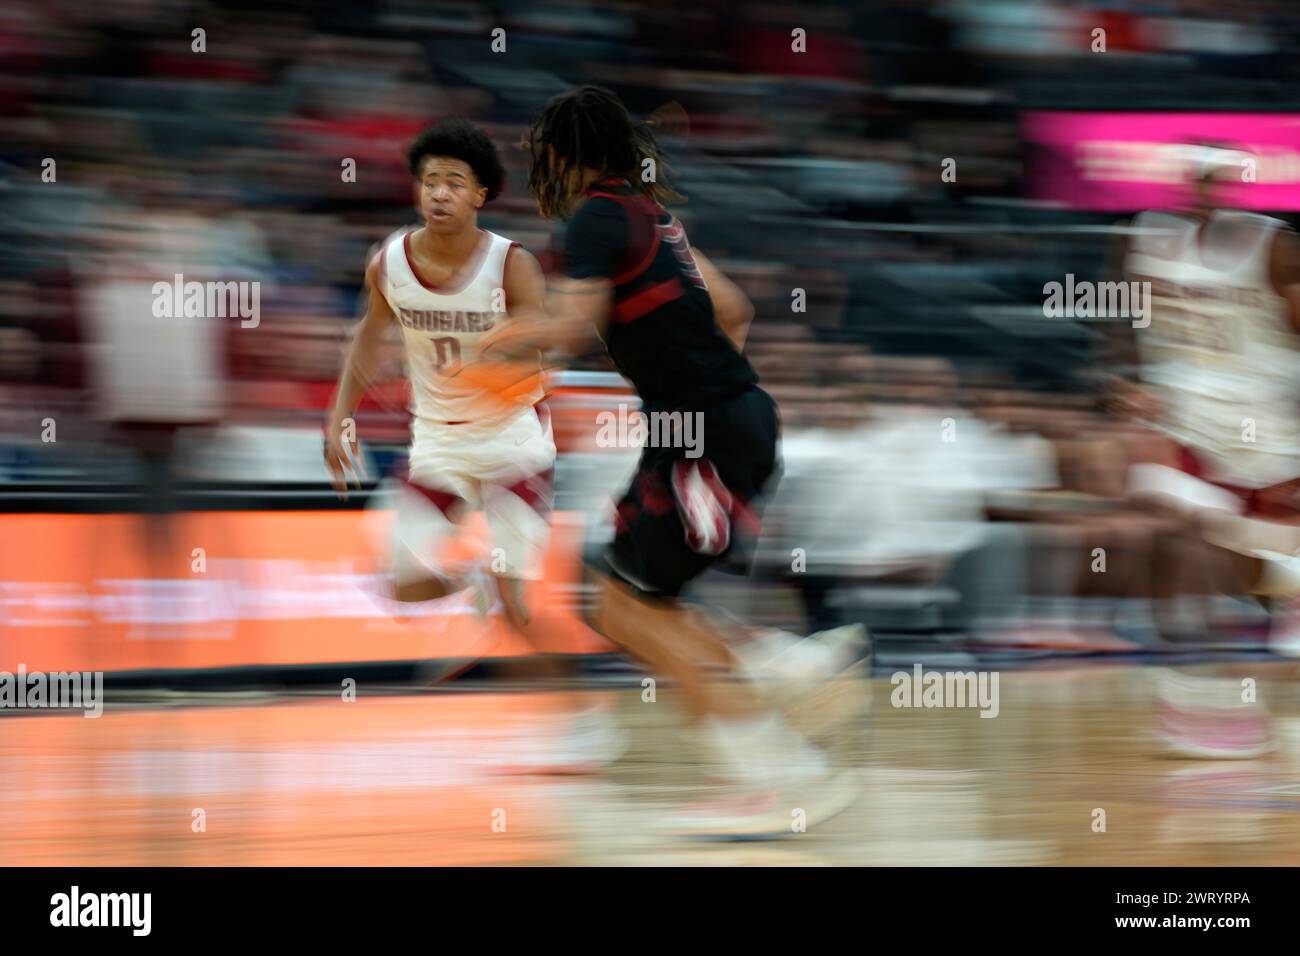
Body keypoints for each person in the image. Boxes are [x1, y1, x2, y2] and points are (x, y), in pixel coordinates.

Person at [494, 86, 865, 836]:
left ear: (566, 155)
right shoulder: (656, 218)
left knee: (625, 605)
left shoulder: (597, 216)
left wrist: (482, 341)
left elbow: (569, 327)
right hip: (719, 422)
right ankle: (782, 666)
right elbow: (735, 310)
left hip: (704, 429)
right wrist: (705, 395)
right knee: (618, 596)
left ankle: (782, 772)